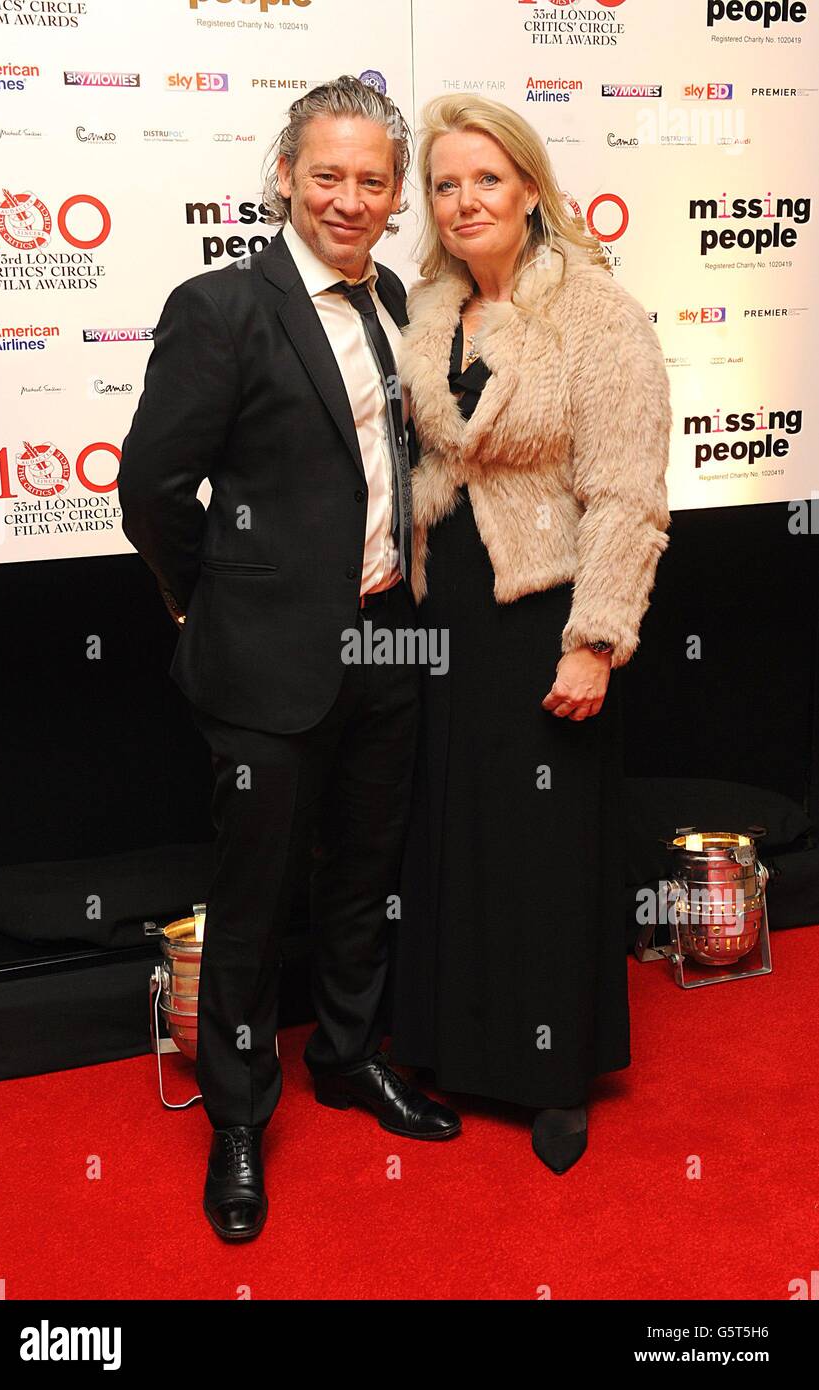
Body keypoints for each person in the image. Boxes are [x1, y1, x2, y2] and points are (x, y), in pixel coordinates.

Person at [118, 75, 461, 1244]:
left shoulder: (401, 302)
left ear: (395, 193)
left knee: (364, 876)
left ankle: (351, 1059)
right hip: (265, 665)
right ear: (284, 176)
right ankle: (238, 1120)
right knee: (255, 909)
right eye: (328, 176)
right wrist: (197, 602)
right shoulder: (221, 306)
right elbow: (152, 488)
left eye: (374, 181)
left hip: (385, 640)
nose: (350, 200)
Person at [390, 94, 672, 1174]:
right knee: (454, 828)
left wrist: (595, 638)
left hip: (545, 613)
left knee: (546, 848)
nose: (465, 201)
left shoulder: (593, 310)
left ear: (529, 188)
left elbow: (628, 493)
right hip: (439, 612)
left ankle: (553, 1078)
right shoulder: (425, 308)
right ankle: (451, 1045)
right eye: (446, 184)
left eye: (486, 180)